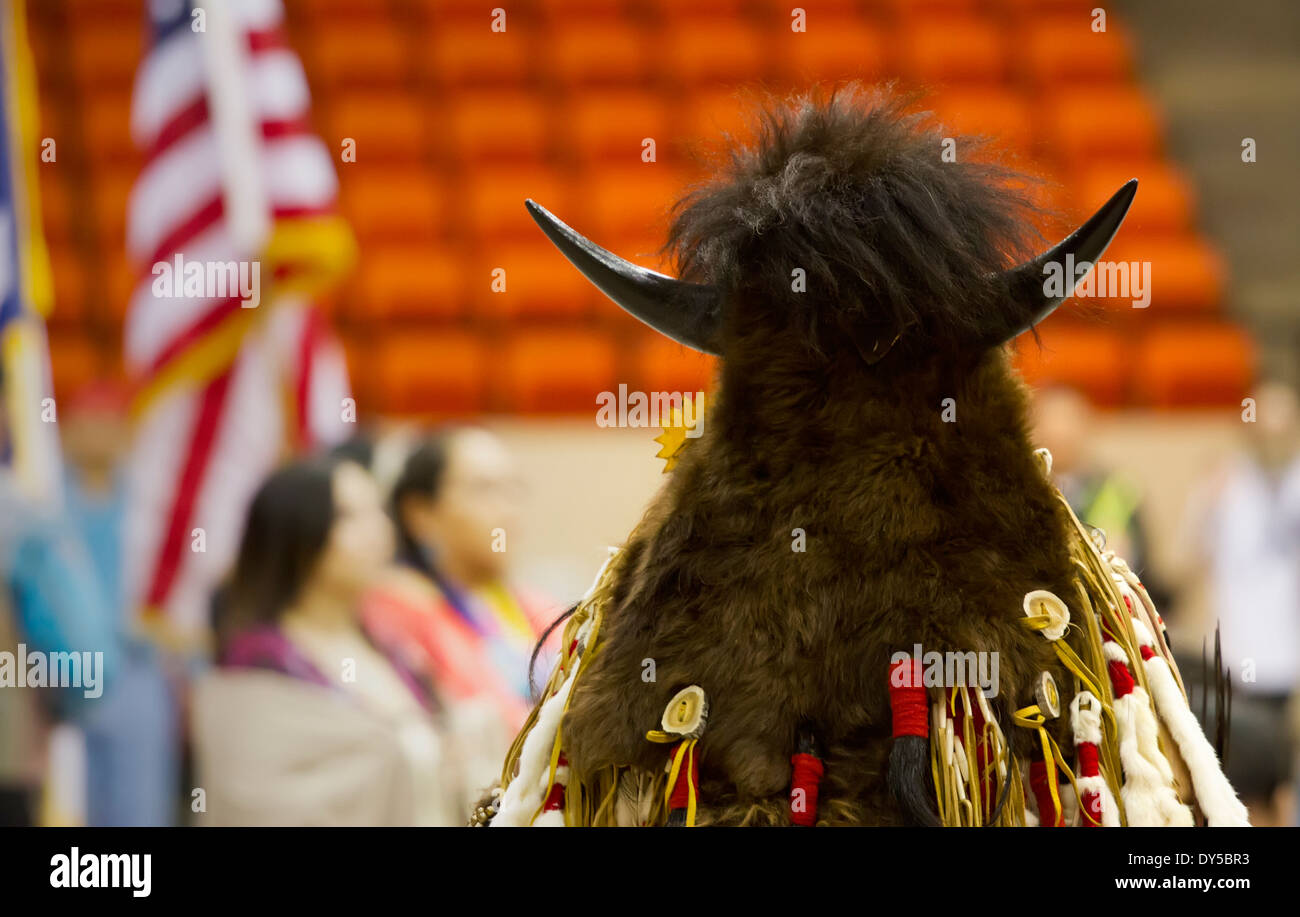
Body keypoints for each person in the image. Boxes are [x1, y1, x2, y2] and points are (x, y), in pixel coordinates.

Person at [191, 456, 464, 826]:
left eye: (378, 511)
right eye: (349, 516)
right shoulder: (255, 663)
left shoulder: (392, 649)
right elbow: (260, 804)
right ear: (295, 534)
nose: (377, 530)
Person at [361, 427, 558, 803]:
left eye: (513, 488)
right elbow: (499, 724)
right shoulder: (400, 605)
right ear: (420, 513)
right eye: (483, 489)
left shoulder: (529, 601)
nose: (507, 506)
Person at [1178, 378, 1300, 826]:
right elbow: (1190, 557)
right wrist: (1207, 500)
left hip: (1286, 650)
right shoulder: (1225, 478)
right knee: (1233, 761)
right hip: (1236, 649)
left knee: (1277, 765)